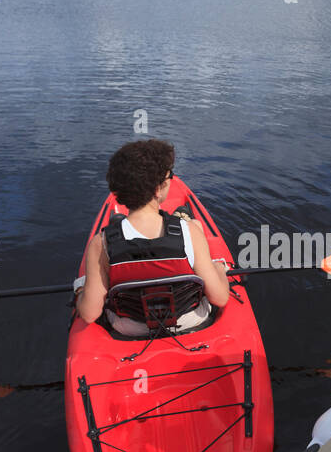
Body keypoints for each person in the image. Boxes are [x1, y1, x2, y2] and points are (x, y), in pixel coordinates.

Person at [76, 139, 230, 335]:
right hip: (189, 320)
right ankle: (181, 216)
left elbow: (89, 314)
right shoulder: (191, 231)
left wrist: (81, 290)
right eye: (169, 177)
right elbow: (220, 298)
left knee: (87, 282)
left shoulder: (101, 243)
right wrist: (219, 269)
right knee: (193, 227)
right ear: (158, 189)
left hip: (130, 328)